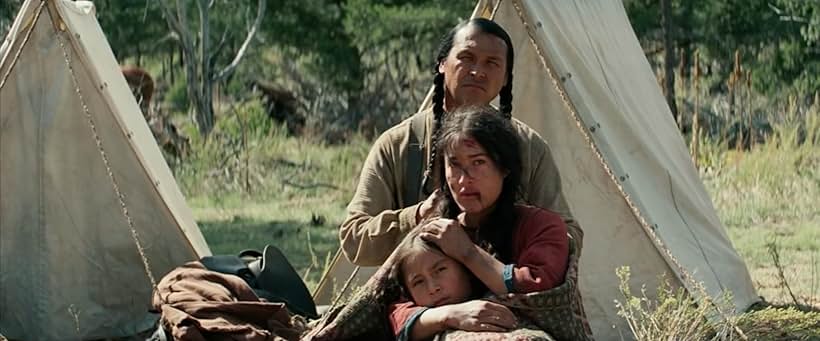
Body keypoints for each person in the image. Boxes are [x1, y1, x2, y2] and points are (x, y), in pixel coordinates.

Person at [339, 17, 582, 267]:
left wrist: (513, 227)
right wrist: (416, 217)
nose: (477, 71)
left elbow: (569, 236)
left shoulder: (528, 147)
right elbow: (354, 240)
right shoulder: (400, 144)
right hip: (422, 300)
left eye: (492, 63)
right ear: (442, 64)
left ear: (506, 77)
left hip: (502, 297)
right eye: (466, 58)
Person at [388, 106, 570, 341]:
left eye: (478, 162)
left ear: (504, 167)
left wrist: (467, 253)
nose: (464, 179)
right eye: (454, 165)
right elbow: (395, 312)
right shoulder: (436, 233)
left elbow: (539, 294)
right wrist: (450, 315)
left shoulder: (541, 226)